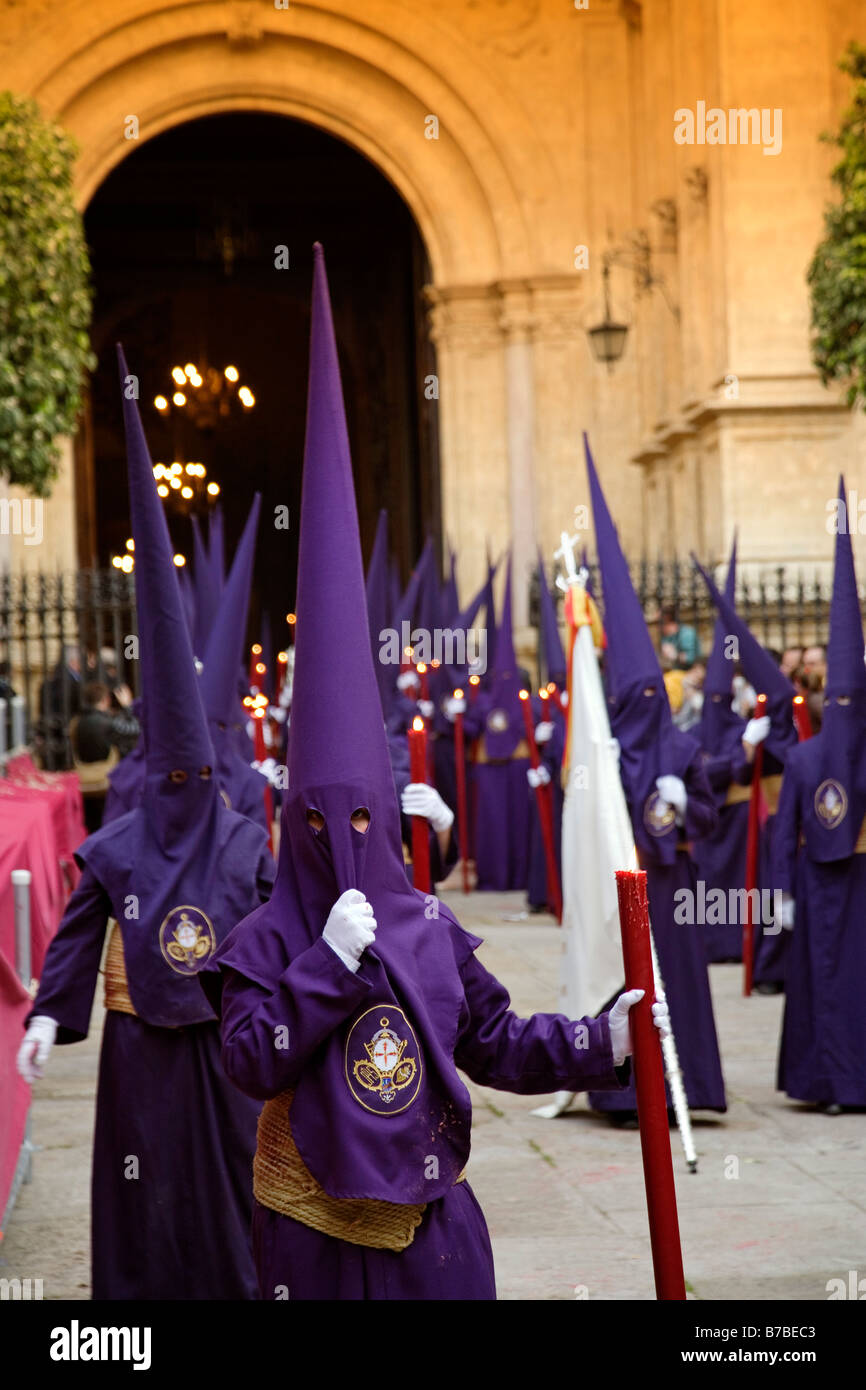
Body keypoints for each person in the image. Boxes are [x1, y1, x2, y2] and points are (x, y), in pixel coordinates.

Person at [200, 246, 669, 1301]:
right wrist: (320, 964)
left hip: (430, 1233)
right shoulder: (259, 943)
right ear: (290, 826)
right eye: (325, 824)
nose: (349, 838)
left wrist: (606, 1037)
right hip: (307, 1238)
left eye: (364, 818)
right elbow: (249, 1060)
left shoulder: (424, 925)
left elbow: (496, 1038)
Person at [17, 348, 275, 1300]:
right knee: (144, 1188)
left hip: (222, 1046)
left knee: (228, 1185)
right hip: (135, 1051)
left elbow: (279, 925)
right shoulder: (118, 844)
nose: (183, 787)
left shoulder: (246, 838)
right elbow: (79, 931)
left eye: (195, 775)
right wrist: (49, 1011)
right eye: (169, 774)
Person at [583, 440, 726, 1125]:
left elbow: (709, 816)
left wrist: (684, 806)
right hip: (622, 888)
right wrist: (594, 773)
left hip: (672, 891)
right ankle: (621, 1090)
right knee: (624, 987)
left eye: (650, 695)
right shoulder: (608, 750)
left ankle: (684, 1086)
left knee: (679, 988)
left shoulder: (684, 745)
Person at [773, 479, 866, 1112]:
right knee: (829, 985)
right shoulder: (805, 757)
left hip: (838, 882)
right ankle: (829, 1081)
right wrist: (780, 889)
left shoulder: (805, 753)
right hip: (821, 883)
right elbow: (784, 830)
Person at [659, 605, 700, 670]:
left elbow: (692, 658)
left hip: (690, 671)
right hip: (674, 672)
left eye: (660, 622)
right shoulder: (666, 637)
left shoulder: (686, 634)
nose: (659, 627)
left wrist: (675, 656)